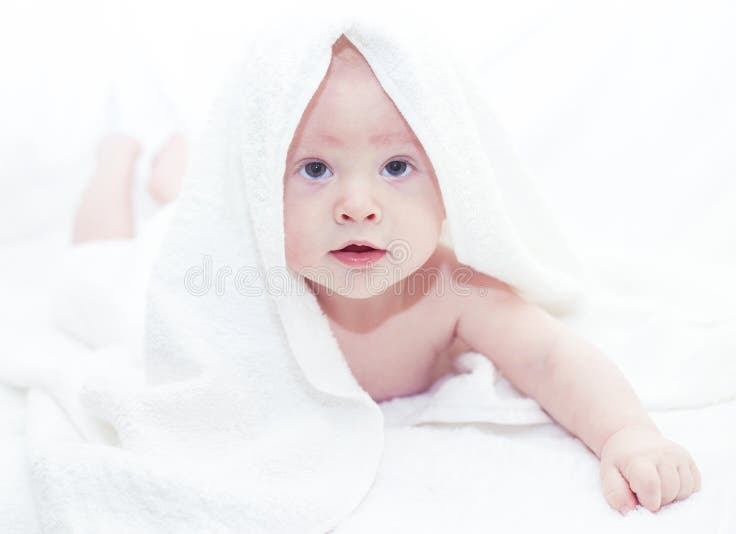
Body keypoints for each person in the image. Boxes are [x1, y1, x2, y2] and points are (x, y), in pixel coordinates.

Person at [70, 34, 701, 516]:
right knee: (102, 271)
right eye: (315, 169)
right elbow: (190, 392)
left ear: (453, 185)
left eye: (397, 166)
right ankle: (119, 155)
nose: (358, 205)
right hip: (173, 245)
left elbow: (548, 355)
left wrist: (626, 434)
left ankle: (175, 161)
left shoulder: (453, 291)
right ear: (256, 194)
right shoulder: (242, 284)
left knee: (170, 191)